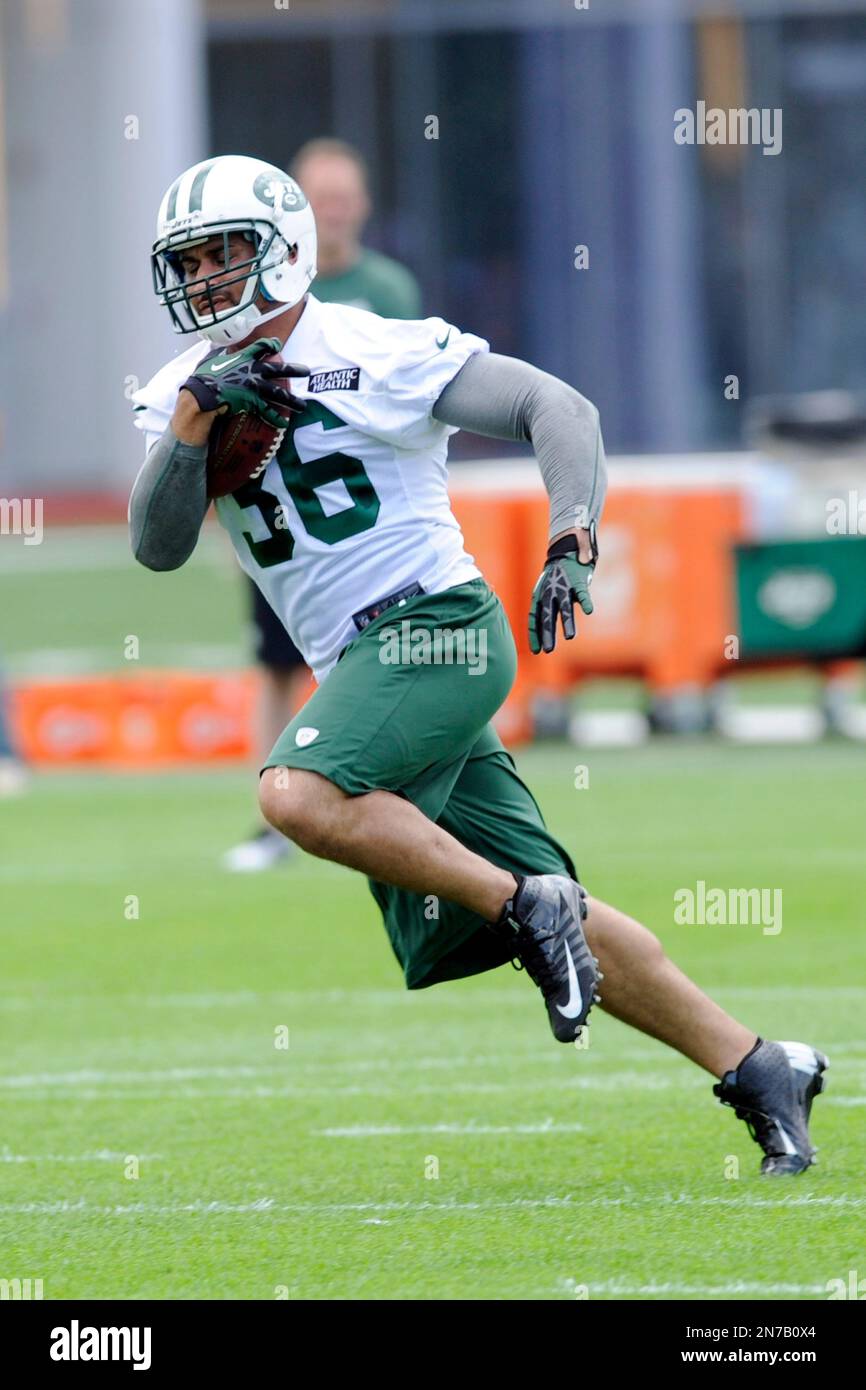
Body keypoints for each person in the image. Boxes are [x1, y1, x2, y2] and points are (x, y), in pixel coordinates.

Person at [129, 155, 828, 1175]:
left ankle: (518, 906)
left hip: (436, 627)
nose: (204, 279)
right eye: (188, 261)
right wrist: (194, 425)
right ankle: (758, 1064)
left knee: (293, 794)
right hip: (362, 665)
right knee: (551, 899)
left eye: (223, 253)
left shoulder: (372, 347)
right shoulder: (178, 390)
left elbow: (560, 408)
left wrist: (570, 535)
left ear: (282, 249)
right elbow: (155, 543)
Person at [225, 138, 422, 872]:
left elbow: (419, 397)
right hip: (281, 512)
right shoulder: (263, 292)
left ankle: (392, 811)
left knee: (394, 659)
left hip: (369, 520)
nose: (334, 212)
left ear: (363, 205)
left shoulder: (388, 290)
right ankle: (273, 819)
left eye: (344, 197)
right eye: (321, 198)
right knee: (277, 667)